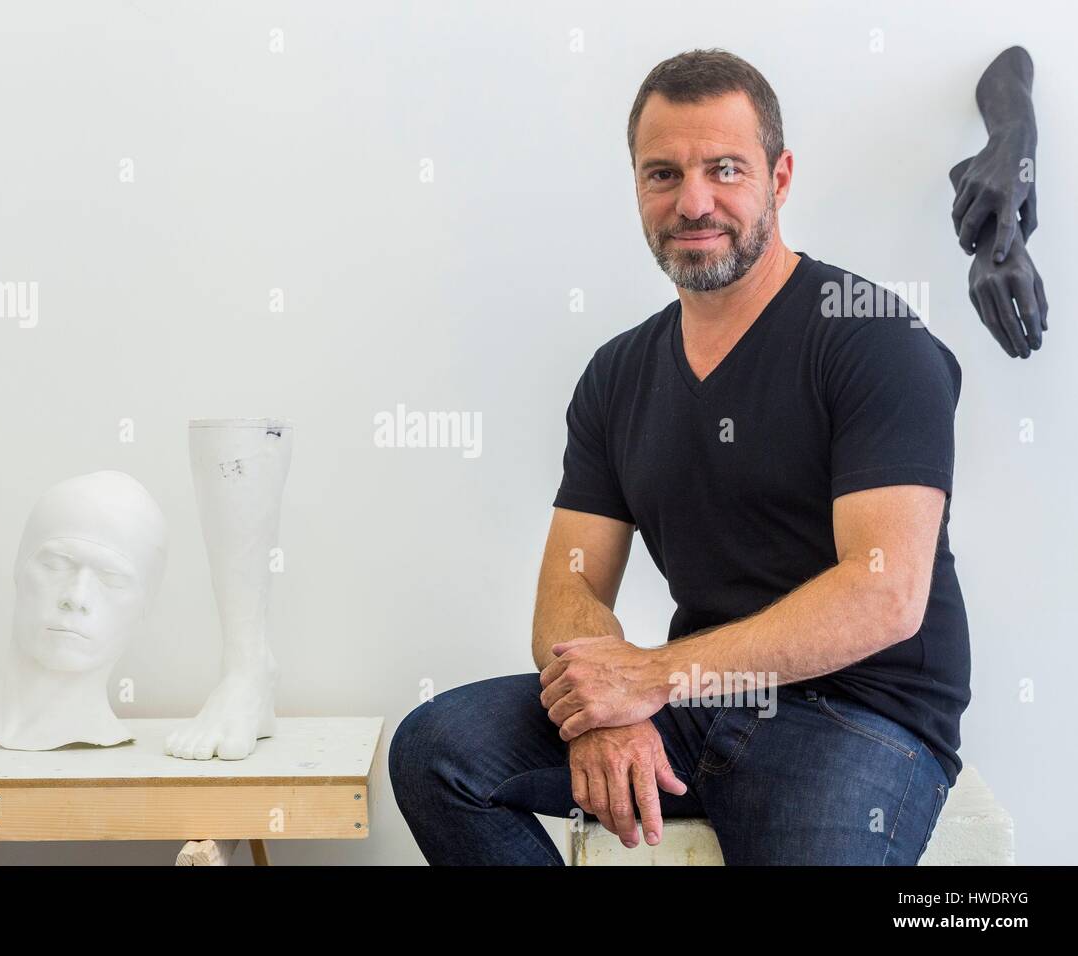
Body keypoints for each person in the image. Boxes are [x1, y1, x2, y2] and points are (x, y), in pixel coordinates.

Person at [390, 48, 968, 865]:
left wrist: (653, 677)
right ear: (636, 185)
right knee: (438, 750)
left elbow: (884, 595)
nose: (693, 202)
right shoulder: (618, 372)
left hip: (859, 717)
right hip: (691, 707)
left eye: (725, 169)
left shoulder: (873, 337)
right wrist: (604, 705)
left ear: (782, 176)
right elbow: (572, 583)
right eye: (663, 174)